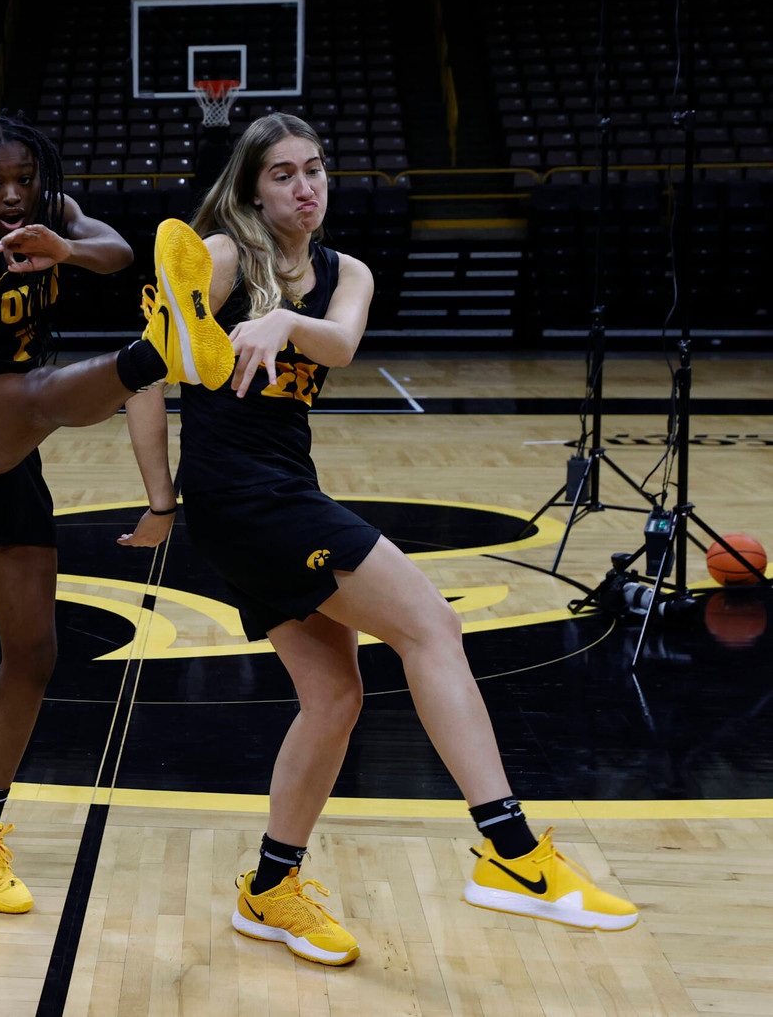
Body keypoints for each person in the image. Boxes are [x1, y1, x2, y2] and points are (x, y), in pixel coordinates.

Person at [140, 112, 639, 965]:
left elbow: (338, 342)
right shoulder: (218, 258)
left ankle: (270, 887)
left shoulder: (346, 272)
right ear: (252, 188)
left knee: (335, 698)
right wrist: (159, 498)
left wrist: (282, 326)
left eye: (316, 169)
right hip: (240, 499)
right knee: (430, 625)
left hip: (285, 489)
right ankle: (512, 852)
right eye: (284, 174)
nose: (306, 187)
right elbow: (143, 375)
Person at [0, 112, 234, 914]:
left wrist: (63, 245)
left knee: (35, 654)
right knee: (45, 394)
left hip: (16, 436)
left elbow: (120, 252)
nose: (12, 196)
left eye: (24, 180)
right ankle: (160, 351)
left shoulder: (54, 211)